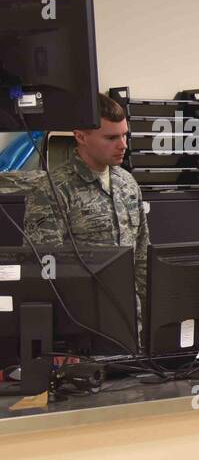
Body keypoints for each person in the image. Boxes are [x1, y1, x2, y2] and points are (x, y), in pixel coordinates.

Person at [23, 93, 149, 320]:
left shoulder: (127, 183)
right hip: (83, 323)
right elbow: (44, 271)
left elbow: (142, 256)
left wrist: (152, 317)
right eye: (111, 138)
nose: (123, 145)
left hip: (131, 319)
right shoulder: (52, 189)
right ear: (81, 136)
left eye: (124, 135)